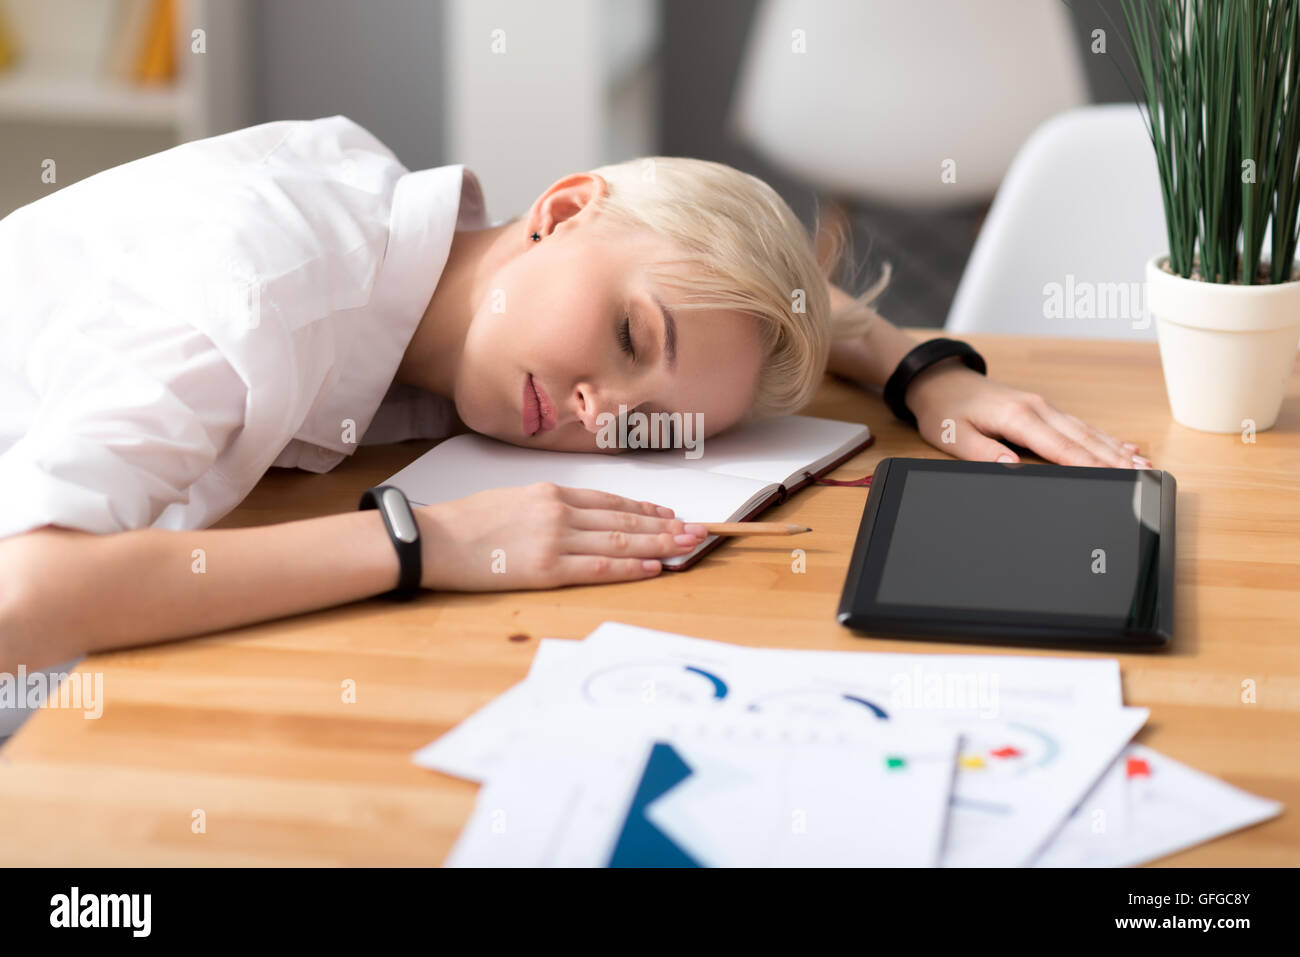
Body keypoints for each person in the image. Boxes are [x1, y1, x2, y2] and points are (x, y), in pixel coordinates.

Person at [0, 115, 1147, 673]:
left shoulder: (467, 274)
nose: (603, 414)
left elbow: (717, 314)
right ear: (559, 209)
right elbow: (25, 597)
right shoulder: (267, 287)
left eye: (652, 427)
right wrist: (424, 547)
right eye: (626, 338)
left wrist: (918, 369)